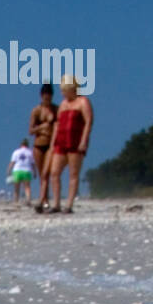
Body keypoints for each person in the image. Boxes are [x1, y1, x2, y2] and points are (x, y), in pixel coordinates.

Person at [37, 73, 93, 214]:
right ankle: (56, 204)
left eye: (64, 90)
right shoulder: (63, 104)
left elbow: (88, 122)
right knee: (54, 173)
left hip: (75, 141)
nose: (62, 93)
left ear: (71, 89)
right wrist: (53, 143)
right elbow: (57, 124)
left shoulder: (83, 102)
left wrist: (83, 141)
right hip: (61, 142)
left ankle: (69, 204)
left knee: (73, 174)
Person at [29, 83, 58, 205]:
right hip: (39, 144)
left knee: (48, 172)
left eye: (49, 98)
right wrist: (42, 127)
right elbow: (30, 130)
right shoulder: (36, 111)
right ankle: (44, 198)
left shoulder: (56, 109)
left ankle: (45, 198)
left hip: (51, 144)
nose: (47, 100)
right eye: (45, 98)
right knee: (42, 174)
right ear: (41, 96)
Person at [7, 137, 36, 205]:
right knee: (27, 187)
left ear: (21, 145)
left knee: (16, 188)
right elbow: (33, 164)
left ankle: (16, 201)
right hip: (27, 170)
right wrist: (35, 172)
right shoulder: (30, 152)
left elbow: (12, 162)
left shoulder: (16, 152)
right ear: (27, 145)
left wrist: (8, 170)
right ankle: (28, 200)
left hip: (17, 170)